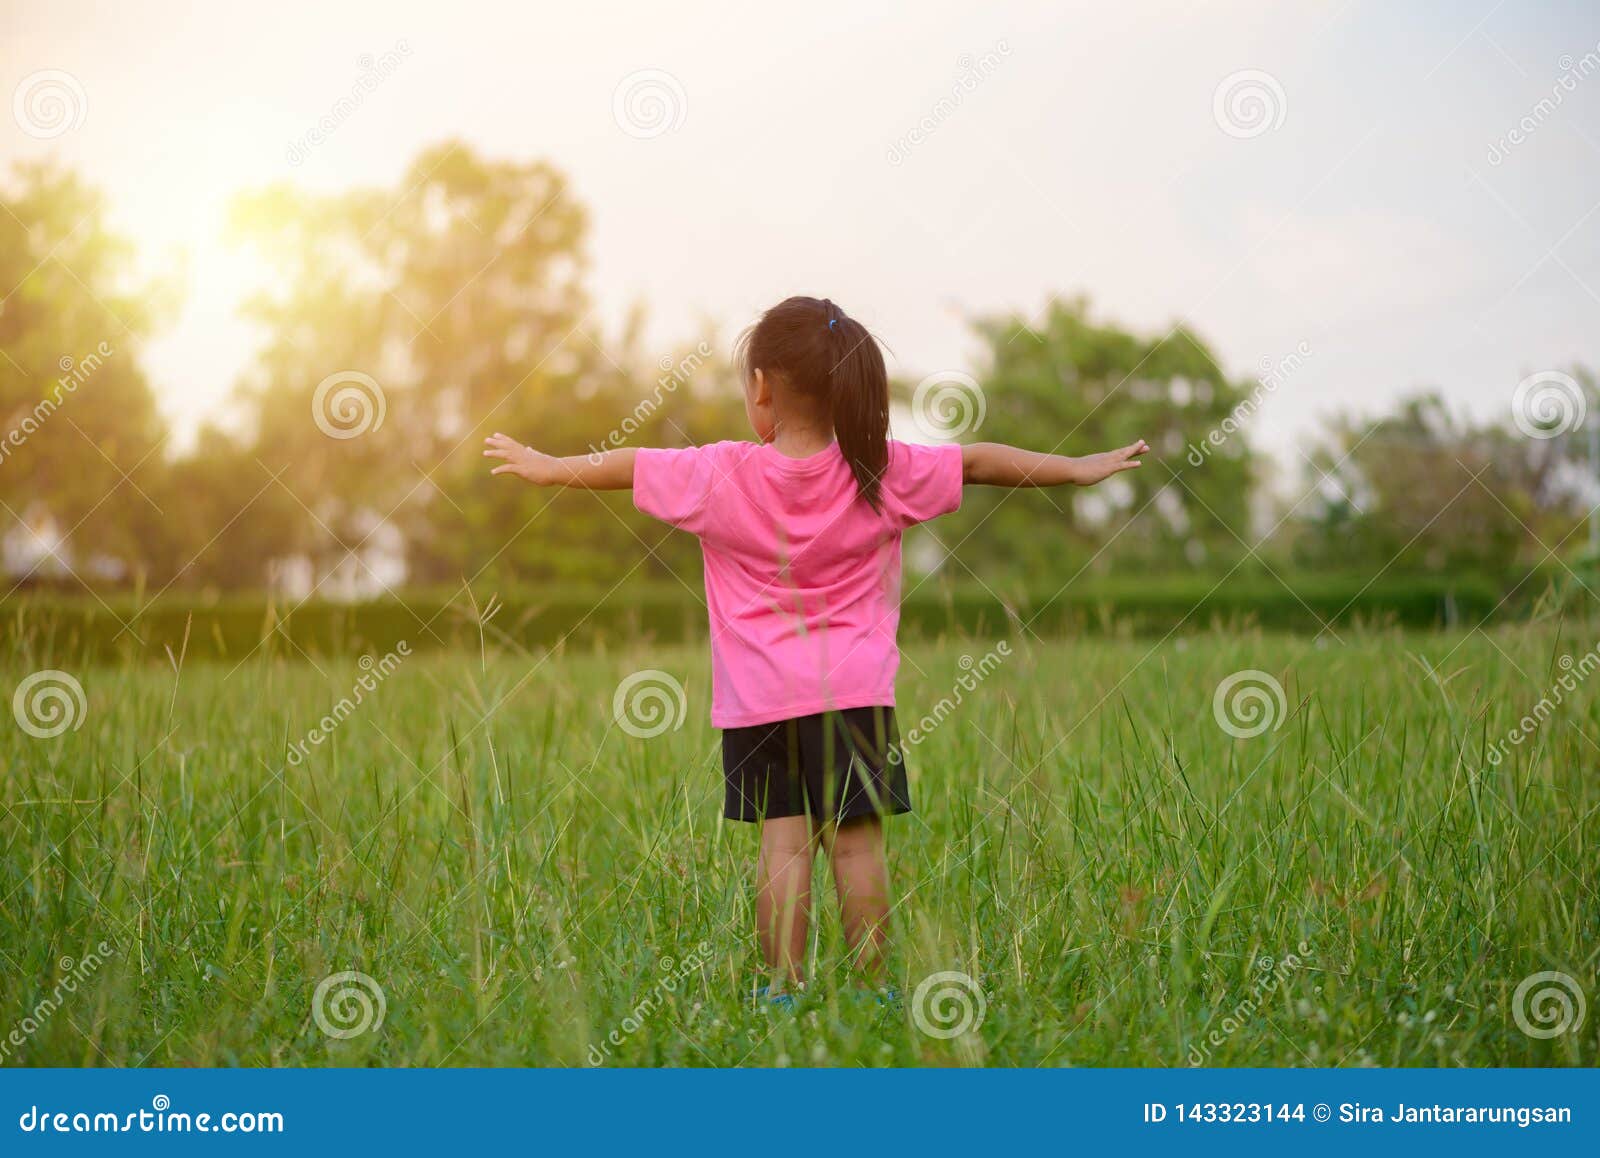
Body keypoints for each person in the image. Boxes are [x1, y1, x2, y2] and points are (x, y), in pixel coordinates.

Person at [484, 295, 1147, 1000]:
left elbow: (631, 466)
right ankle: (872, 990)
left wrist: (549, 467)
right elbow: (980, 462)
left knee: (783, 844)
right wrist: (1076, 468)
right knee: (857, 845)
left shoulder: (721, 473)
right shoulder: (880, 471)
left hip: (759, 701)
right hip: (854, 694)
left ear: (762, 385)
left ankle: (782, 988)